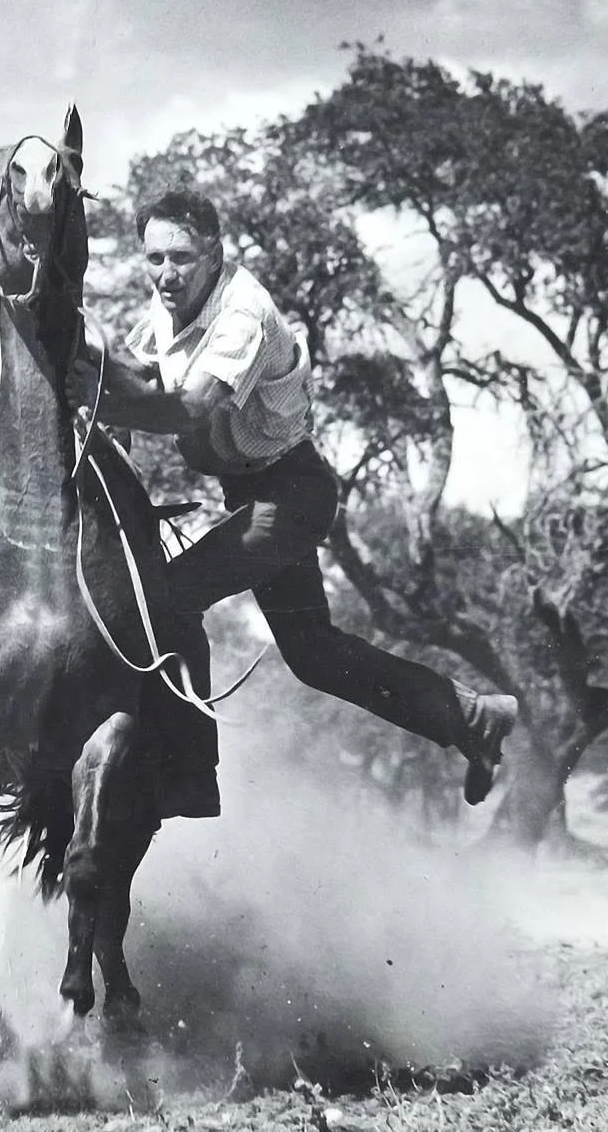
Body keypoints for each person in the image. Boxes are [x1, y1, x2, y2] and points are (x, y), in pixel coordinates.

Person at [65, 187, 516, 804]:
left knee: (169, 598)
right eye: (154, 260)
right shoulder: (171, 298)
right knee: (313, 656)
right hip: (255, 493)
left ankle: (193, 776)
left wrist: (97, 398)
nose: (166, 275)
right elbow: (143, 369)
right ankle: (473, 716)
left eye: (181, 258)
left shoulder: (242, 312)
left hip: (290, 496)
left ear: (215, 252)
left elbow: (192, 407)